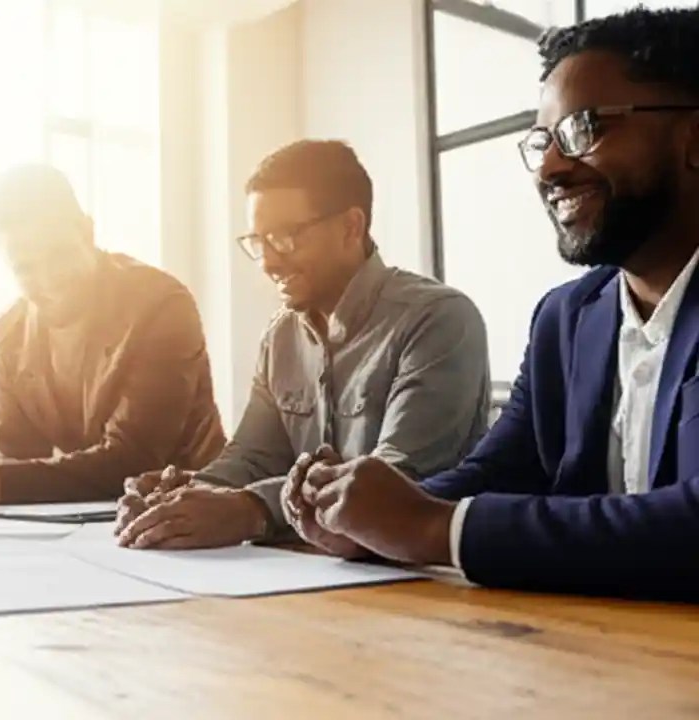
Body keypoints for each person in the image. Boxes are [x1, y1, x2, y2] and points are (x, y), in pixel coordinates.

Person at [289, 7, 699, 601]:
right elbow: (502, 469)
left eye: (585, 129)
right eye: (544, 142)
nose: (552, 168)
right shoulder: (567, 318)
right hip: (602, 659)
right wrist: (365, 518)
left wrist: (431, 529)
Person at [115, 140, 492, 550]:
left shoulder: (438, 320)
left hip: (417, 577)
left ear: (351, 226)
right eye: (258, 242)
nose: (269, 262)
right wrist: (179, 498)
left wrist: (251, 510)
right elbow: (252, 457)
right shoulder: (281, 336)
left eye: (284, 238)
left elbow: (400, 478)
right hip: (306, 570)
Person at [0, 164, 226, 509]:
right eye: (26, 268)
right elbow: (11, 450)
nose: (49, 282)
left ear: (87, 232)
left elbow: (136, 457)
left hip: (193, 513)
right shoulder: (10, 333)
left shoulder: (161, 304)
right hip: (87, 516)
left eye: (59, 255)